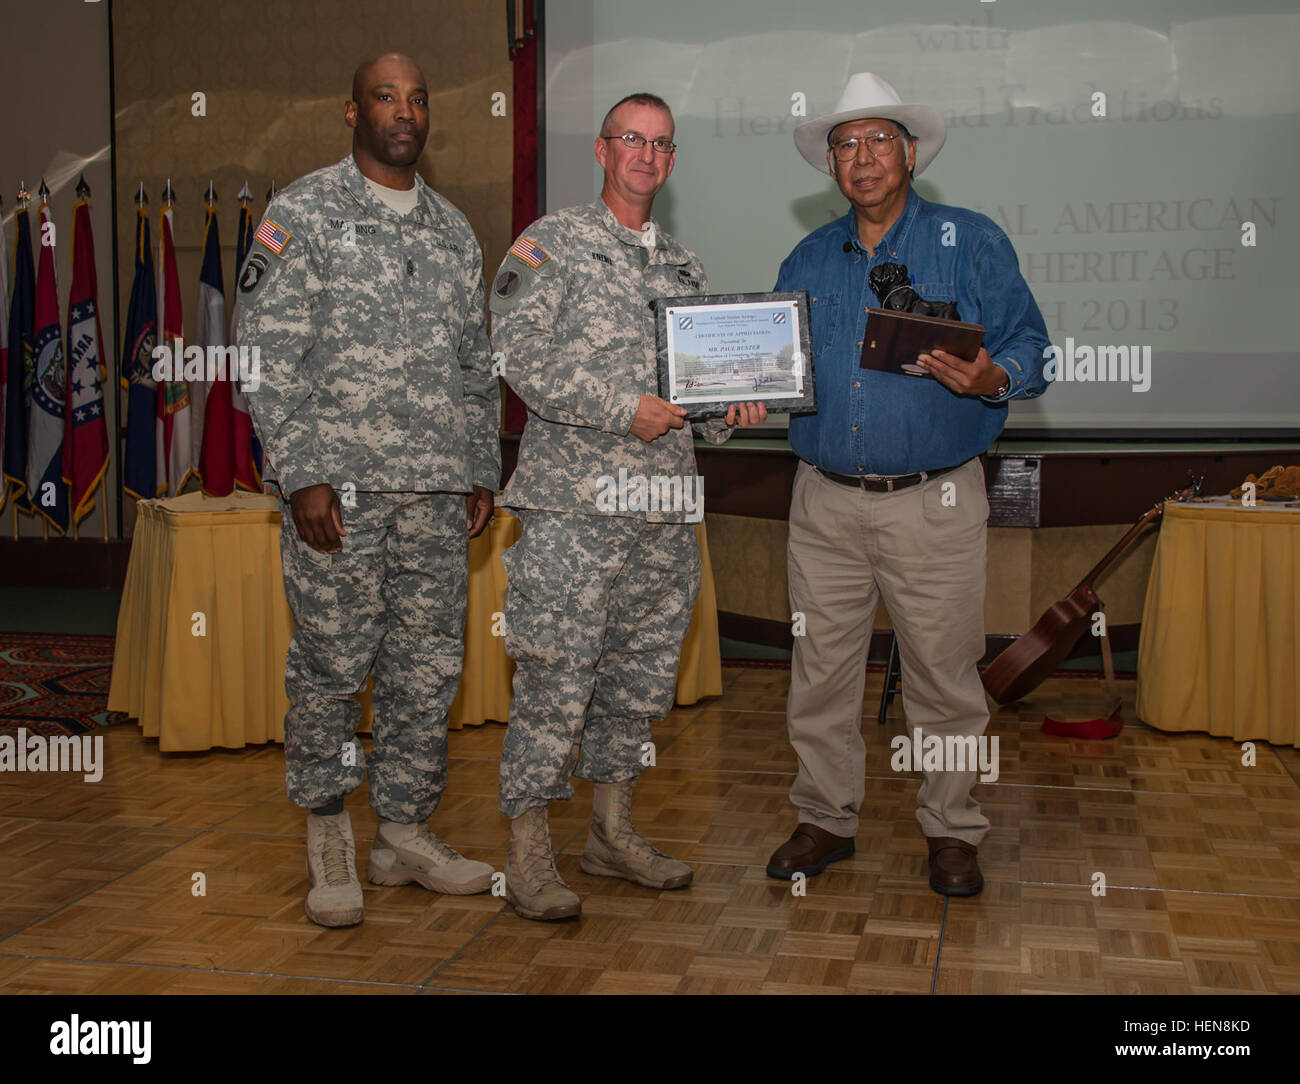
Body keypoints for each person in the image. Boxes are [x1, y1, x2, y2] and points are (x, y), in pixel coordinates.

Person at [766, 73, 1050, 897]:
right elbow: (783, 366)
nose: (864, 157)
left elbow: (1033, 346)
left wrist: (995, 374)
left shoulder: (975, 241)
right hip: (822, 499)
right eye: (847, 144)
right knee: (818, 671)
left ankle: (953, 828)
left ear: (911, 153)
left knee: (944, 676)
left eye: (880, 140)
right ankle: (824, 816)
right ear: (830, 164)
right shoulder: (808, 256)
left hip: (937, 499)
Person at [235, 53, 500, 927]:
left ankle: (404, 833)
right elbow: (268, 356)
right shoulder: (301, 214)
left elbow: (474, 368)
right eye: (388, 96)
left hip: (433, 494)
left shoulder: (452, 230)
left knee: (427, 669)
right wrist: (302, 470)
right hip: (336, 497)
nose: (406, 111)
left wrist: (479, 467)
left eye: (419, 98)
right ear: (352, 110)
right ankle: (327, 831)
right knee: (331, 665)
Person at [488, 92, 766, 921]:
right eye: (630, 140)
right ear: (604, 152)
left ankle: (610, 833)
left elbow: (695, 397)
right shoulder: (552, 244)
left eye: (661, 144)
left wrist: (733, 407)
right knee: (555, 679)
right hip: (576, 510)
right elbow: (512, 351)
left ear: (671, 162)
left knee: (638, 680)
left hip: (664, 510)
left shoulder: (685, 268)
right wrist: (620, 406)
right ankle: (529, 852)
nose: (646, 155)